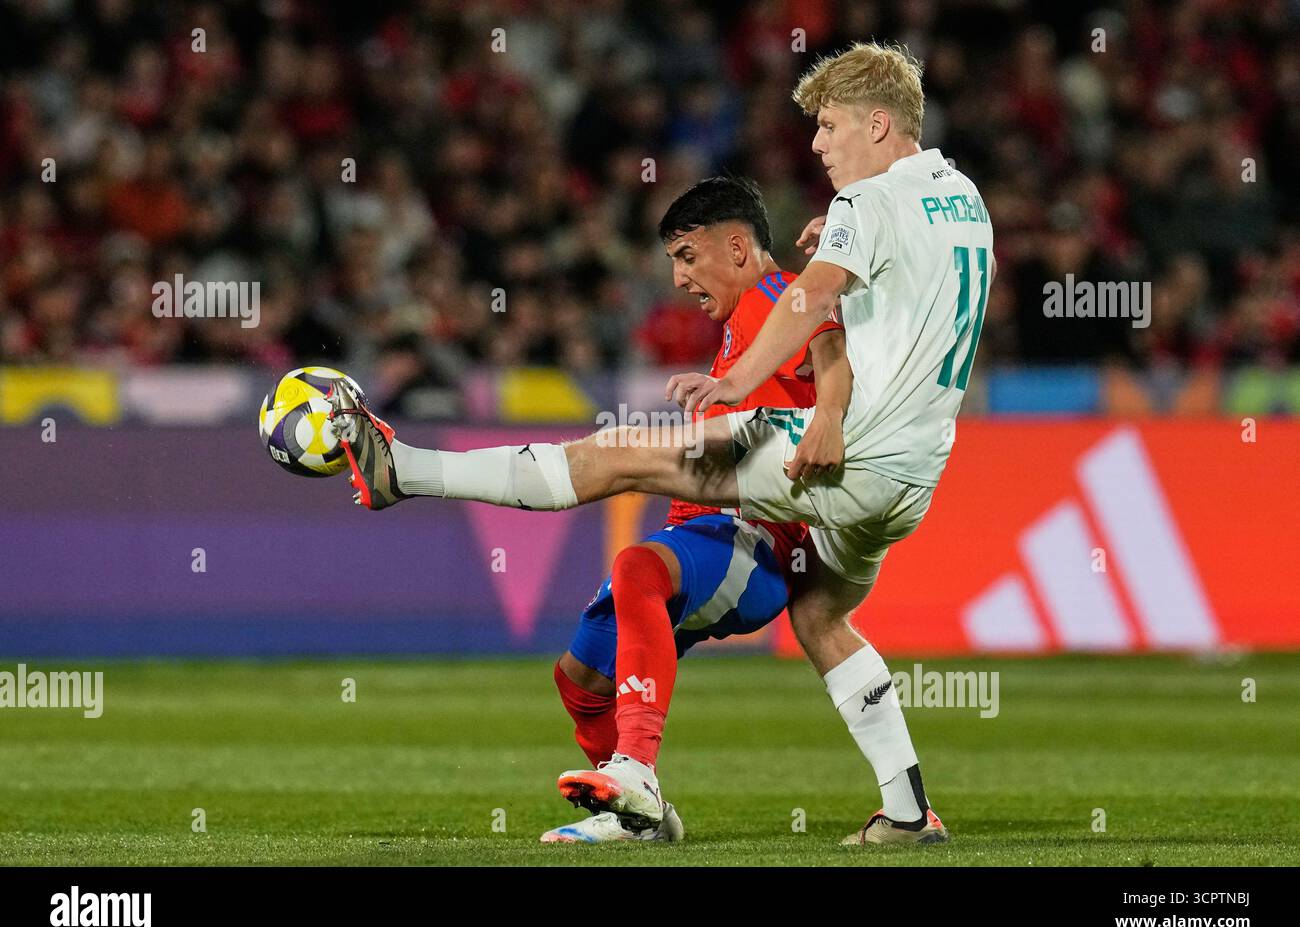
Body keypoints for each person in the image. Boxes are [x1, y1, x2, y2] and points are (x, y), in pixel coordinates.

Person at [332, 42, 991, 846]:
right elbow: (886, 291)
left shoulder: (860, 213)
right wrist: (844, 249)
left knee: (621, 455)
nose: (817, 145)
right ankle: (906, 812)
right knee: (821, 616)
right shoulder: (962, 200)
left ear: (877, 121)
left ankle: (403, 470)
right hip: (916, 478)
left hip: (851, 459)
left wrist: (740, 382)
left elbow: (813, 303)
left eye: (828, 126)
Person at [541, 176, 847, 843]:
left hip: (759, 537)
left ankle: (638, 773)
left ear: (737, 247)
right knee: (581, 679)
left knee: (638, 570)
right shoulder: (746, 320)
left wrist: (831, 415)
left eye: (686, 255)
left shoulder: (783, 303)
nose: (679, 278)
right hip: (706, 534)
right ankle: (637, 819)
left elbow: (839, 362)